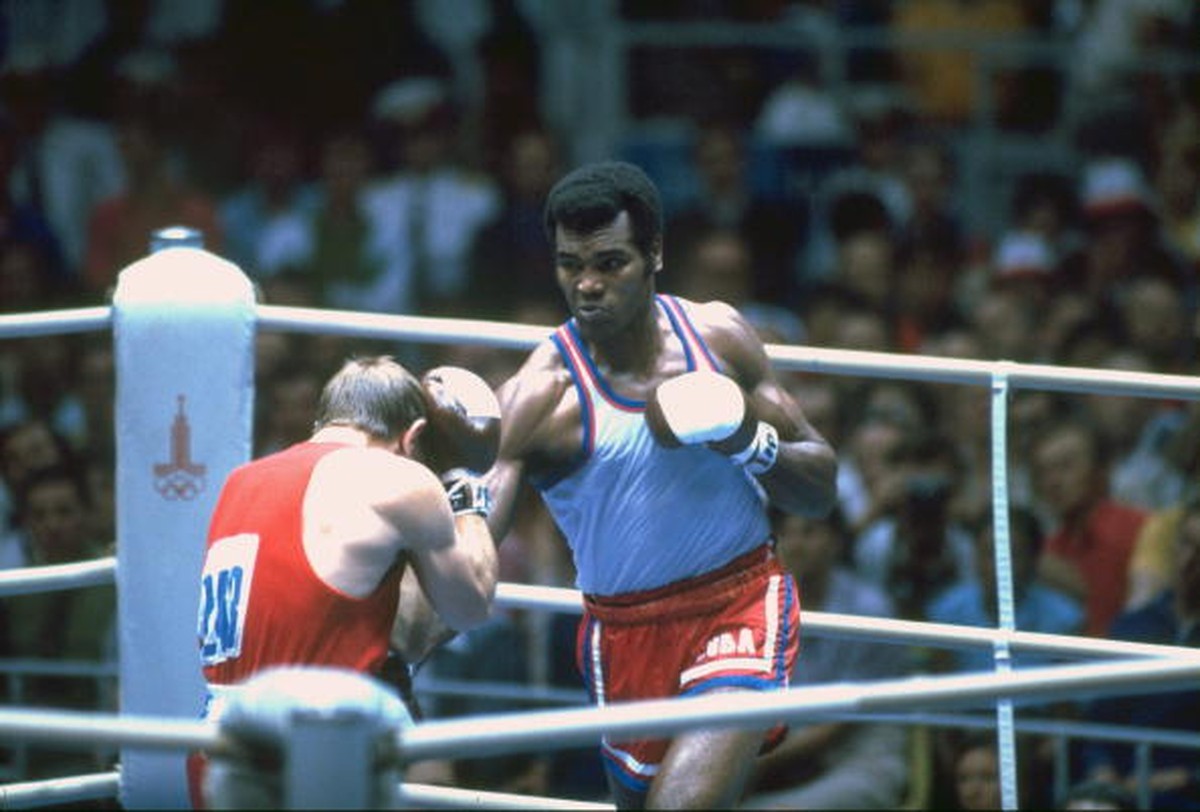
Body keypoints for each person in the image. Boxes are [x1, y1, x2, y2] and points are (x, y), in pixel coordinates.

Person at [482, 160, 838, 809]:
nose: (587, 285)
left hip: (738, 603)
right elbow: (470, 548)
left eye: (610, 263)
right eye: (570, 265)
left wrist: (746, 441)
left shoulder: (719, 339)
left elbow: (819, 487)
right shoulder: (541, 398)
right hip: (621, 634)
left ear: (654, 254)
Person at [188, 356, 502, 808]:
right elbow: (469, 607)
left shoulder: (240, 481)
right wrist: (463, 486)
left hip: (216, 751)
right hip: (309, 757)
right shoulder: (397, 477)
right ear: (412, 437)